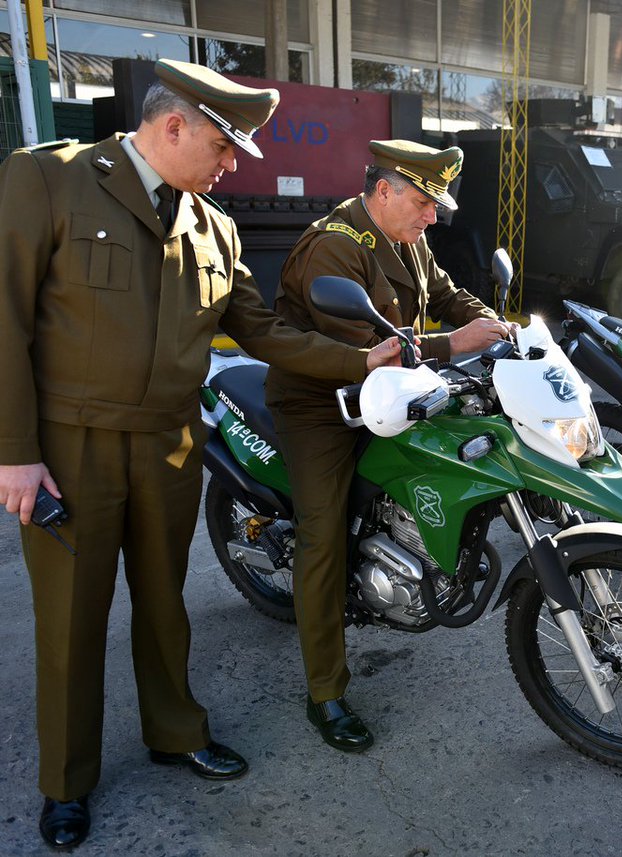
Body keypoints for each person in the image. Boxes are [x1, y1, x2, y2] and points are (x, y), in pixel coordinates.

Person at [0, 59, 407, 849]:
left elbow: (264, 331)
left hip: (171, 443)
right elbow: (6, 319)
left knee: (165, 603)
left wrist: (359, 359)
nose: (231, 168)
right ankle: (66, 780)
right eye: (223, 149)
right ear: (173, 125)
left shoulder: (214, 228)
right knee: (72, 620)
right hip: (72, 448)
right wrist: (13, 453)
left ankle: (175, 731)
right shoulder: (50, 179)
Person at [265, 139, 512, 753]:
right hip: (324, 402)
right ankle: (325, 693)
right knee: (322, 535)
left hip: (395, 392)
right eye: (425, 202)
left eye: (435, 204)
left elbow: (448, 296)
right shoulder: (334, 247)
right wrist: (454, 344)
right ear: (384, 190)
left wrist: (499, 327)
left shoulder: (406, 236)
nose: (434, 215)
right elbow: (369, 351)